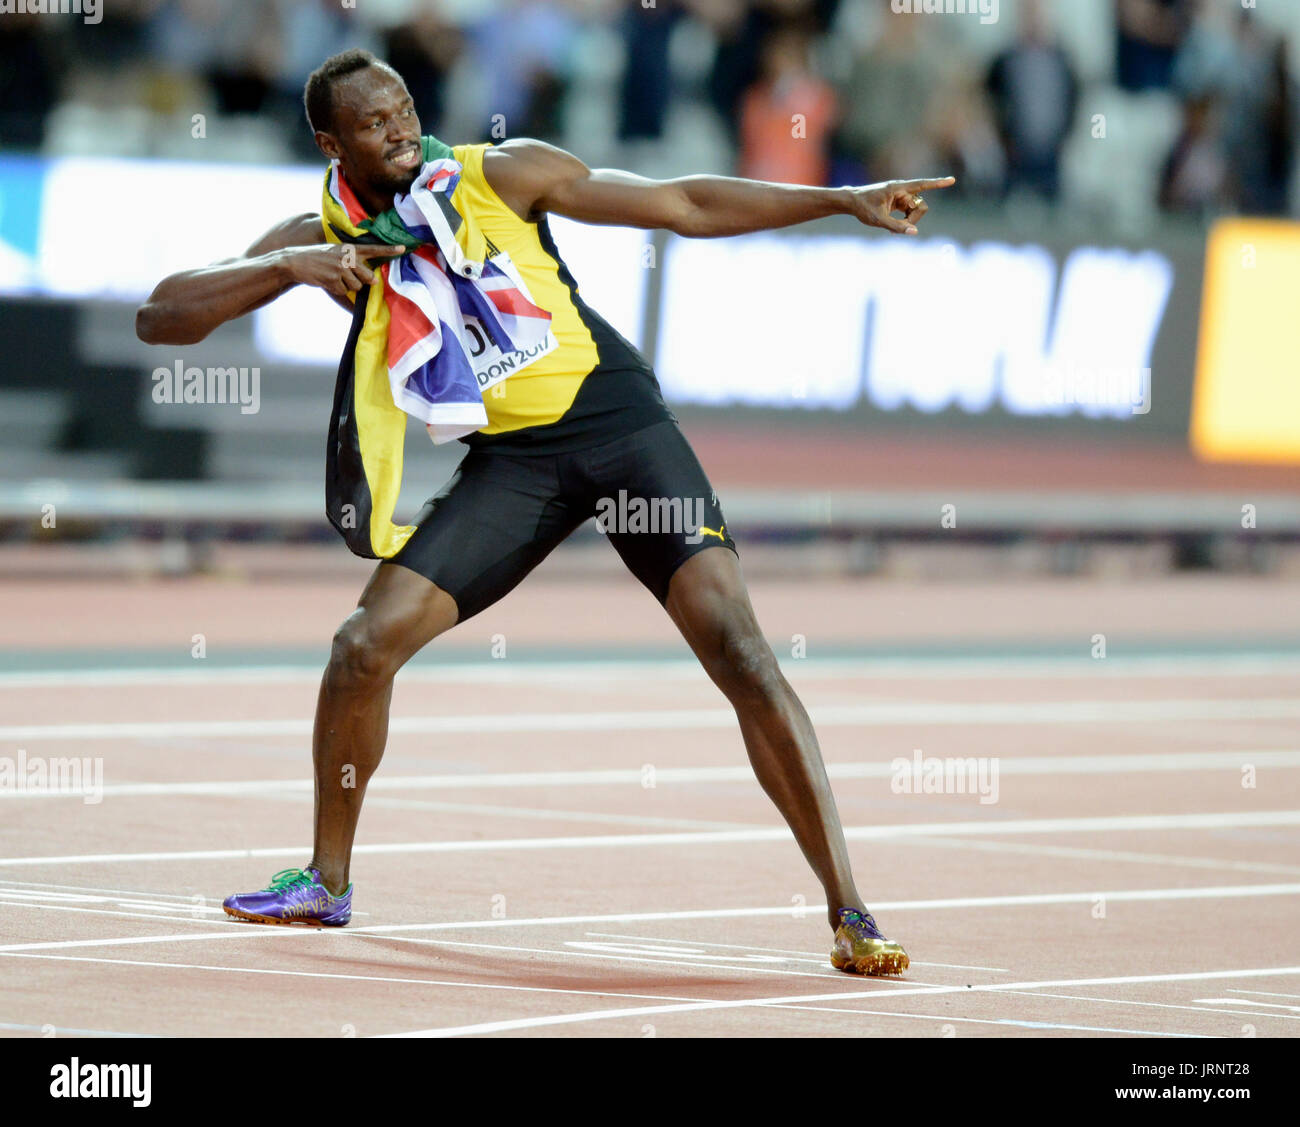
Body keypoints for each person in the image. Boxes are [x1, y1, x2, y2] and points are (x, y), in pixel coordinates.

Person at [135, 48, 953, 976]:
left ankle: (851, 909)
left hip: (618, 427)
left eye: (405, 109)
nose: (400, 130)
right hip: (515, 463)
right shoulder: (319, 228)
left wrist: (843, 200)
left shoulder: (499, 171)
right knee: (362, 646)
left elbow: (683, 204)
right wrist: (289, 266)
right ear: (330, 141)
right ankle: (326, 882)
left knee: (742, 651)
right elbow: (161, 319)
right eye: (374, 124)